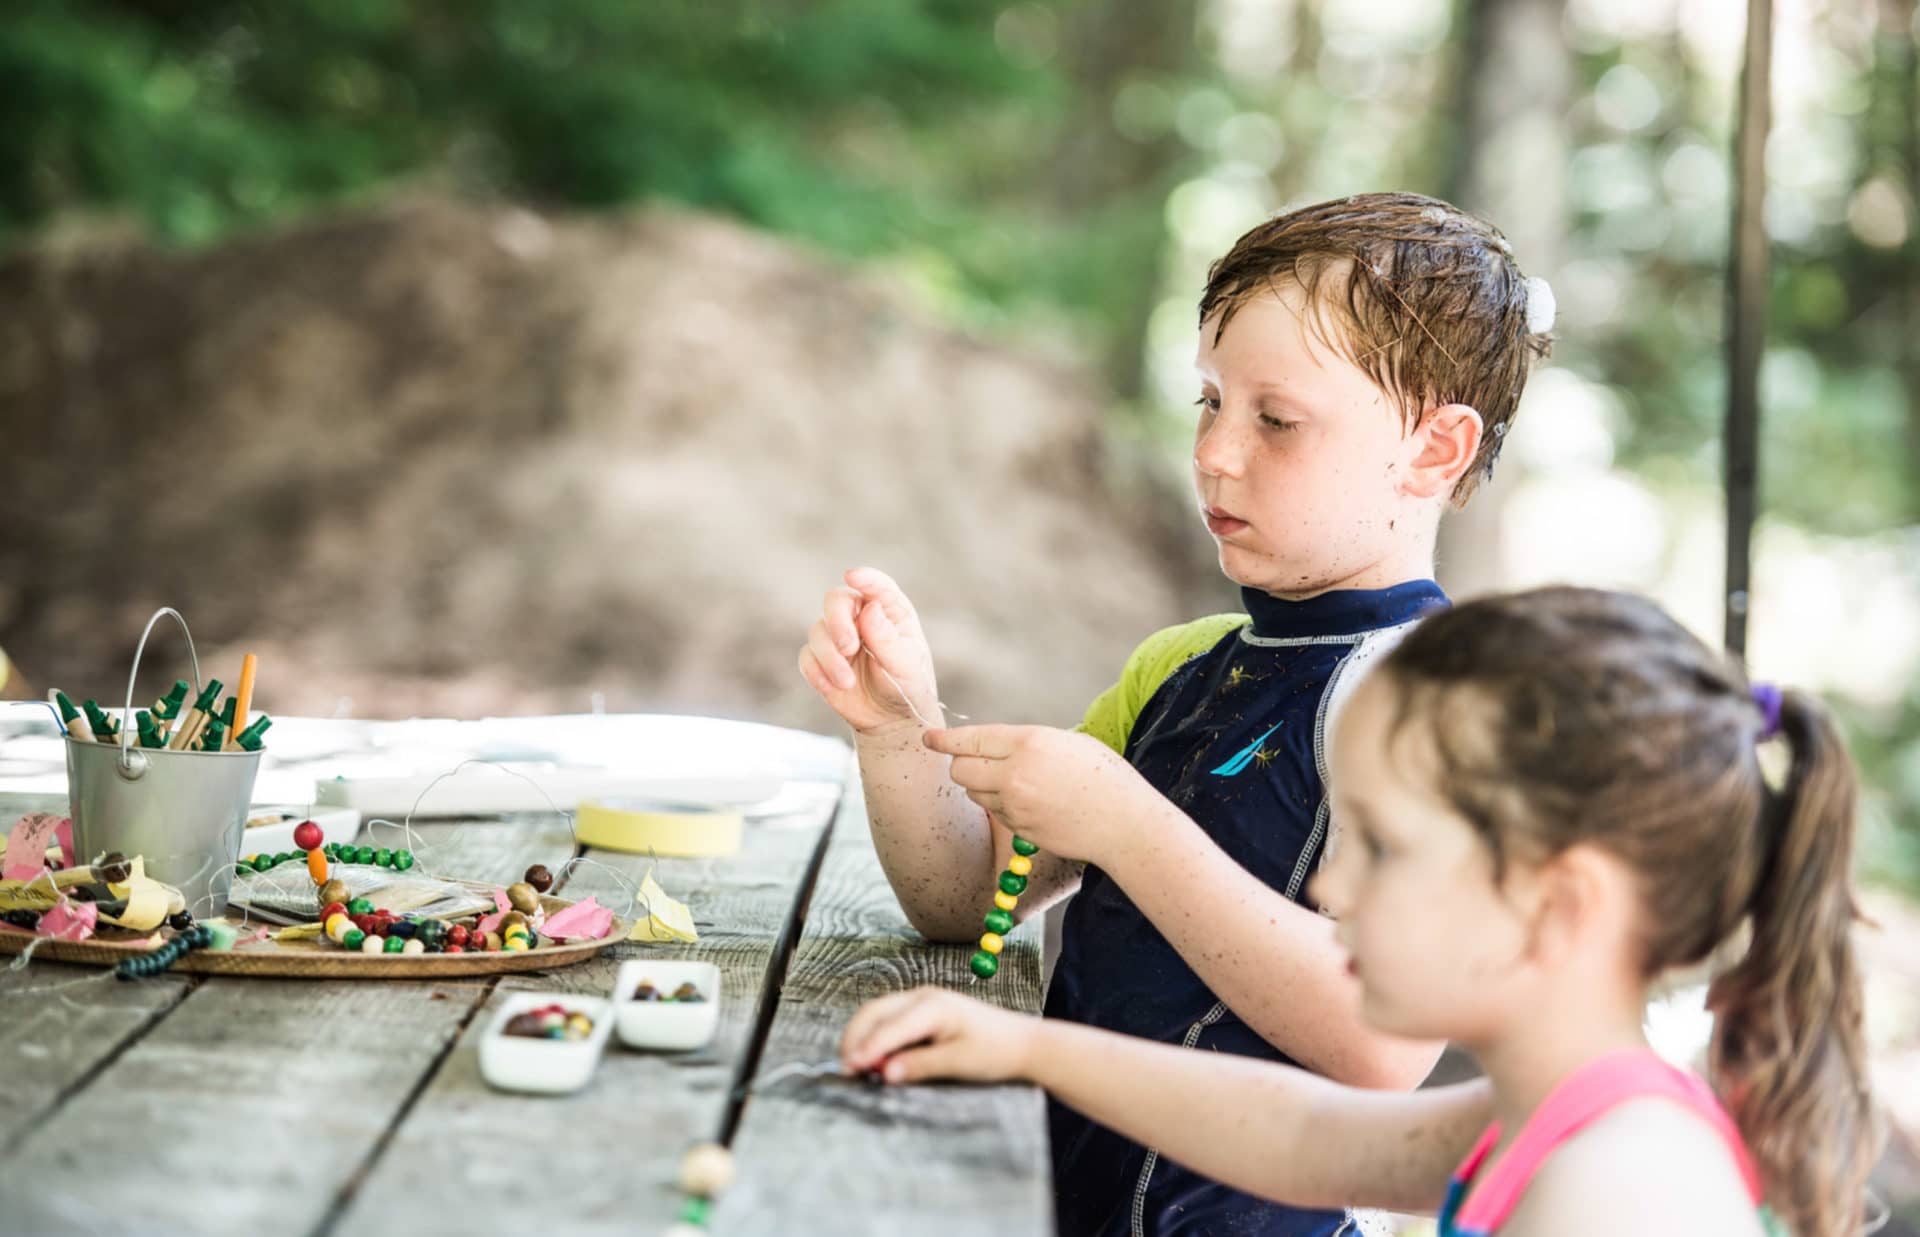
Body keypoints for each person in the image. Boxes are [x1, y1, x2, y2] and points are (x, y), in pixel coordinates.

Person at [801, 192, 1554, 1233]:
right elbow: (970, 903)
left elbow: (1382, 1047)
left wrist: (1125, 821)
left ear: (1433, 450)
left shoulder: (1431, 700)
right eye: (1209, 401)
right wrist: (895, 728)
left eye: (1275, 419)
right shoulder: (1180, 666)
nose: (1212, 450)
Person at [843, 587, 1880, 1237]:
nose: (1333, 889)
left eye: (1380, 847)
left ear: (1555, 905)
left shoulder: (1625, 1186)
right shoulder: (1551, 1110)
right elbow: (1304, 1133)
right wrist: (1026, 1052)